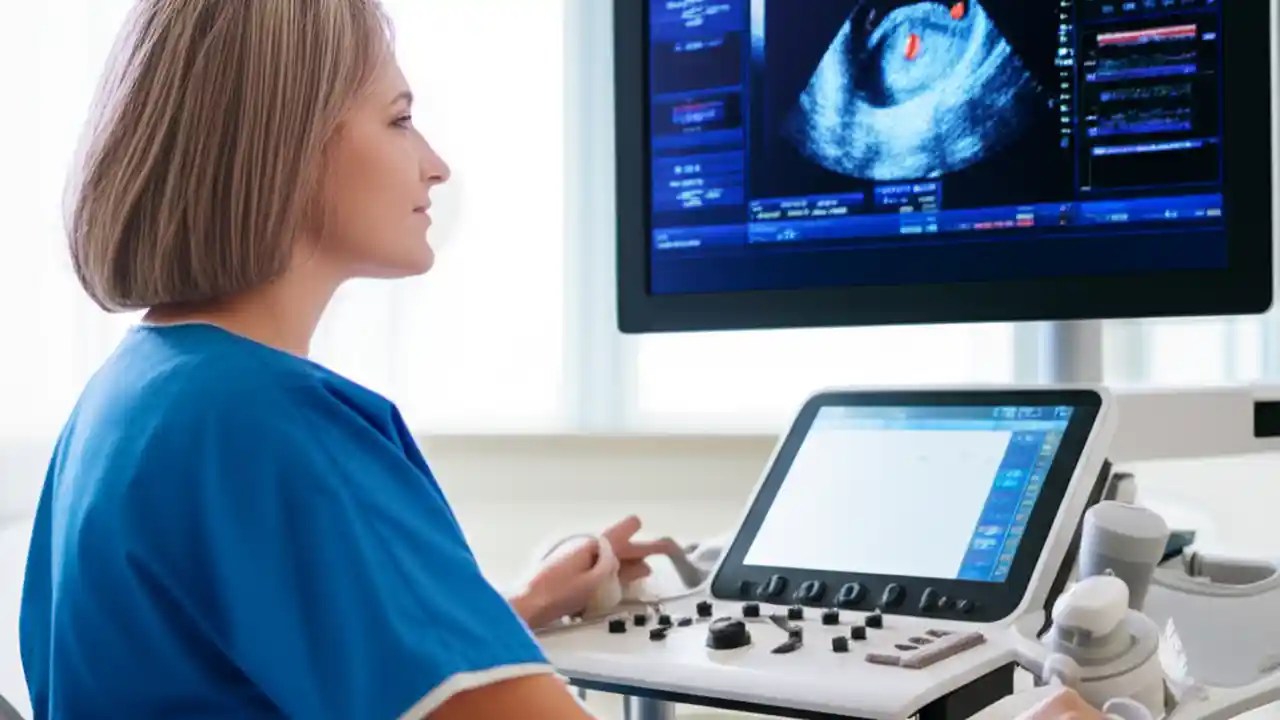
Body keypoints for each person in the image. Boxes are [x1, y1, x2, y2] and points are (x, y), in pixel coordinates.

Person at [18, 2, 674, 718]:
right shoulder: (265, 423)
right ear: (285, 146)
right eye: (399, 120)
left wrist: (512, 612)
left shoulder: (133, 394)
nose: (436, 166)